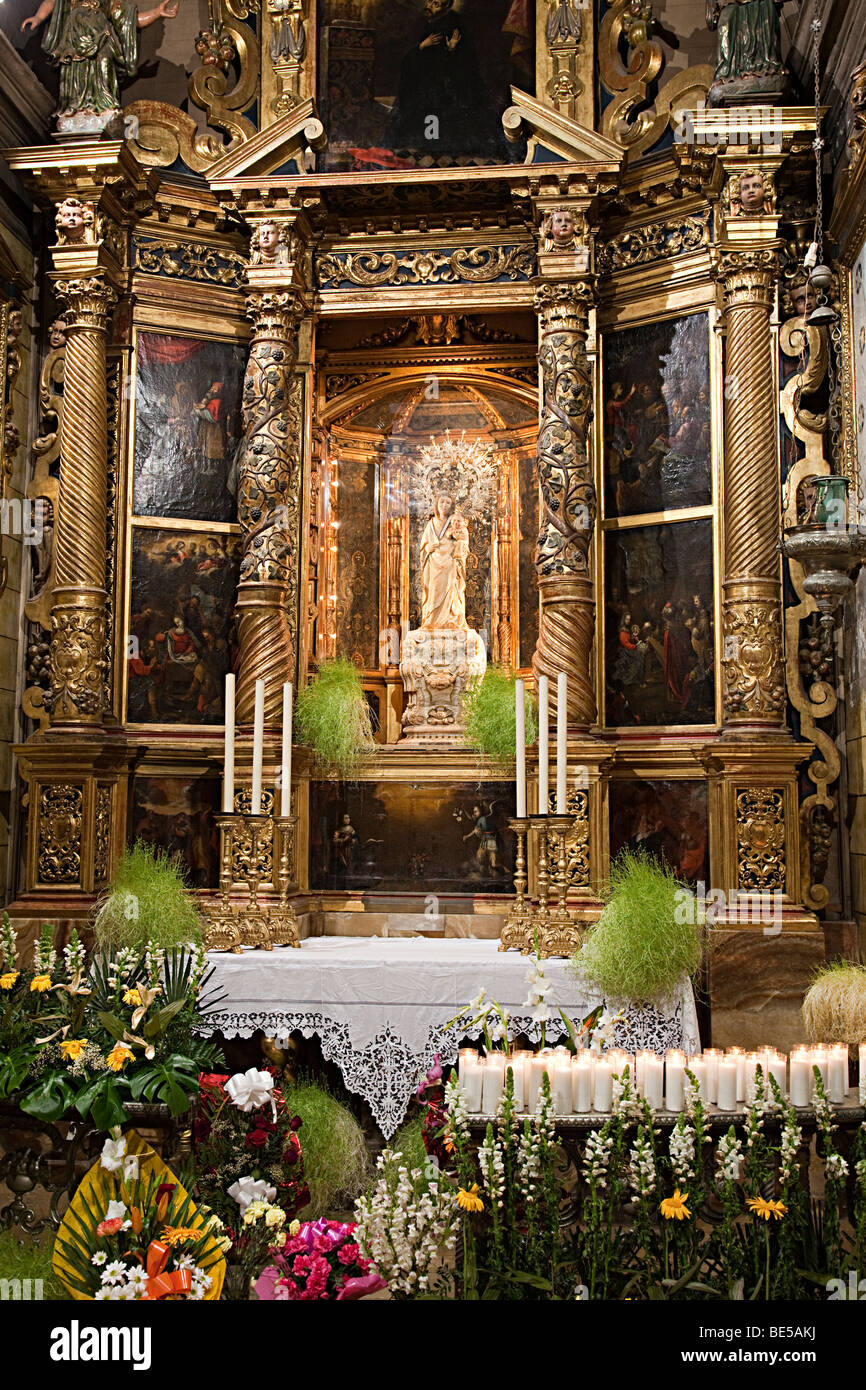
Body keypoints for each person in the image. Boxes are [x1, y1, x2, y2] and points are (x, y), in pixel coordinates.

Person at [21, 0, 178, 123]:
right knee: (75, 74)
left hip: (101, 41)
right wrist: (38, 17)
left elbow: (130, 20)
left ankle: (104, 106)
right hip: (75, 43)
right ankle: (75, 109)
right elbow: (52, 2)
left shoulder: (108, 2)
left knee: (104, 66)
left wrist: (157, 12)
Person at [385, 0, 503, 159]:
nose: (430, 6)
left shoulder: (452, 25)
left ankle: (436, 145)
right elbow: (412, 58)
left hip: (446, 87)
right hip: (427, 84)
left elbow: (459, 62)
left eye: (436, 4)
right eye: (429, 2)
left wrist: (451, 49)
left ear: (446, 7)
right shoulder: (423, 23)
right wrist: (421, 47)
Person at [419, 493, 469, 630]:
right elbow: (423, 548)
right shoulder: (431, 524)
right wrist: (428, 548)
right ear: (436, 504)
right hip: (434, 565)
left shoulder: (455, 523)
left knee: (451, 591)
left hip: (450, 563)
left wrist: (459, 541)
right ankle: (432, 622)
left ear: (451, 506)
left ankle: (451, 620)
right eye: (441, 502)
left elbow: (464, 543)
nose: (444, 505)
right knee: (434, 592)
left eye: (447, 503)